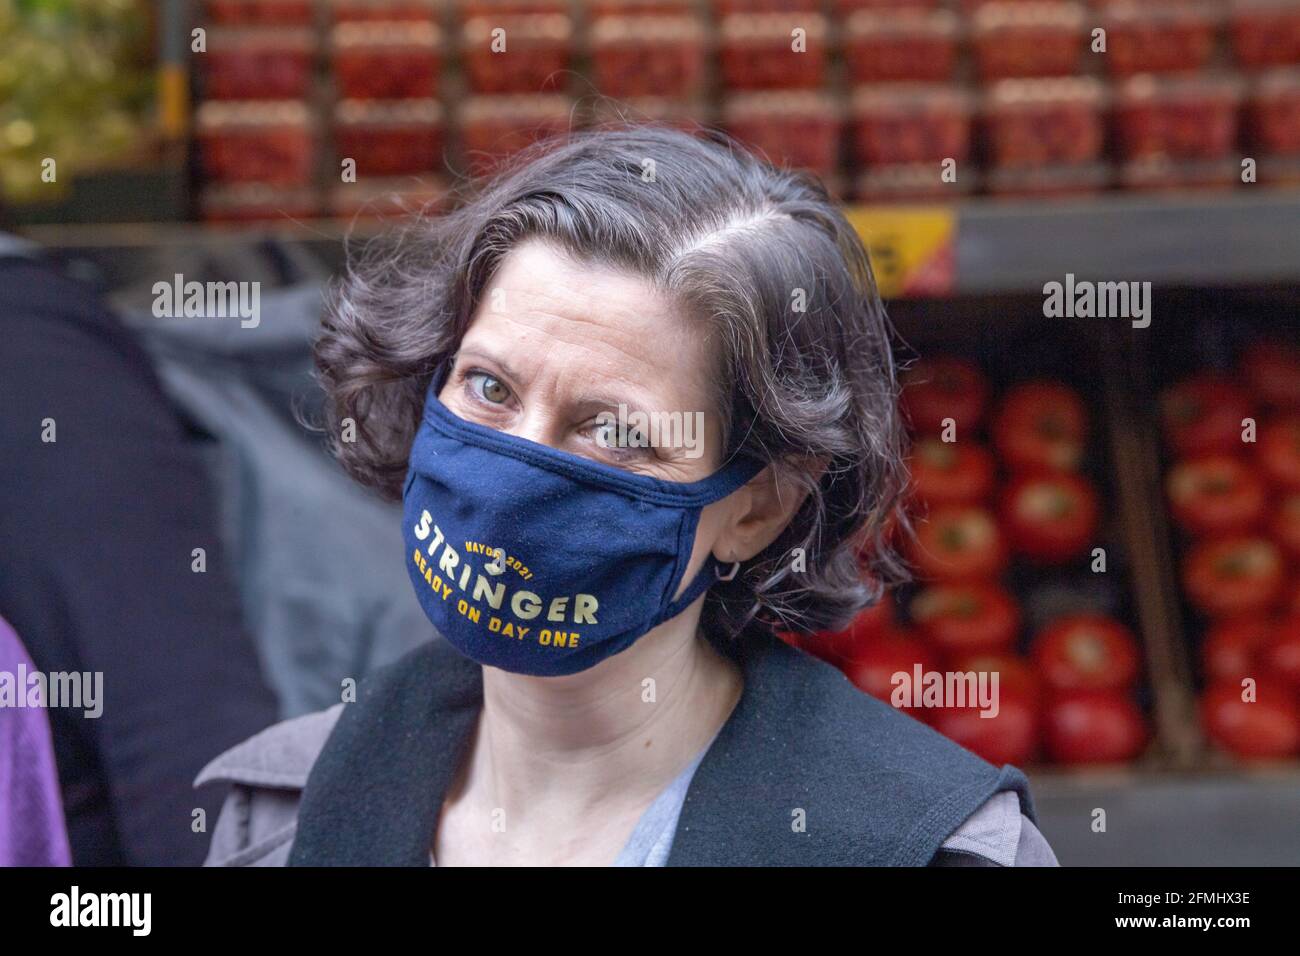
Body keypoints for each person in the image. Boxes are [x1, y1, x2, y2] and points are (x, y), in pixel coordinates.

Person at [197, 126, 1058, 866]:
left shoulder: (924, 848)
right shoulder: (281, 816)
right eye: (489, 389)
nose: (515, 475)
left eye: (616, 432)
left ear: (757, 509)